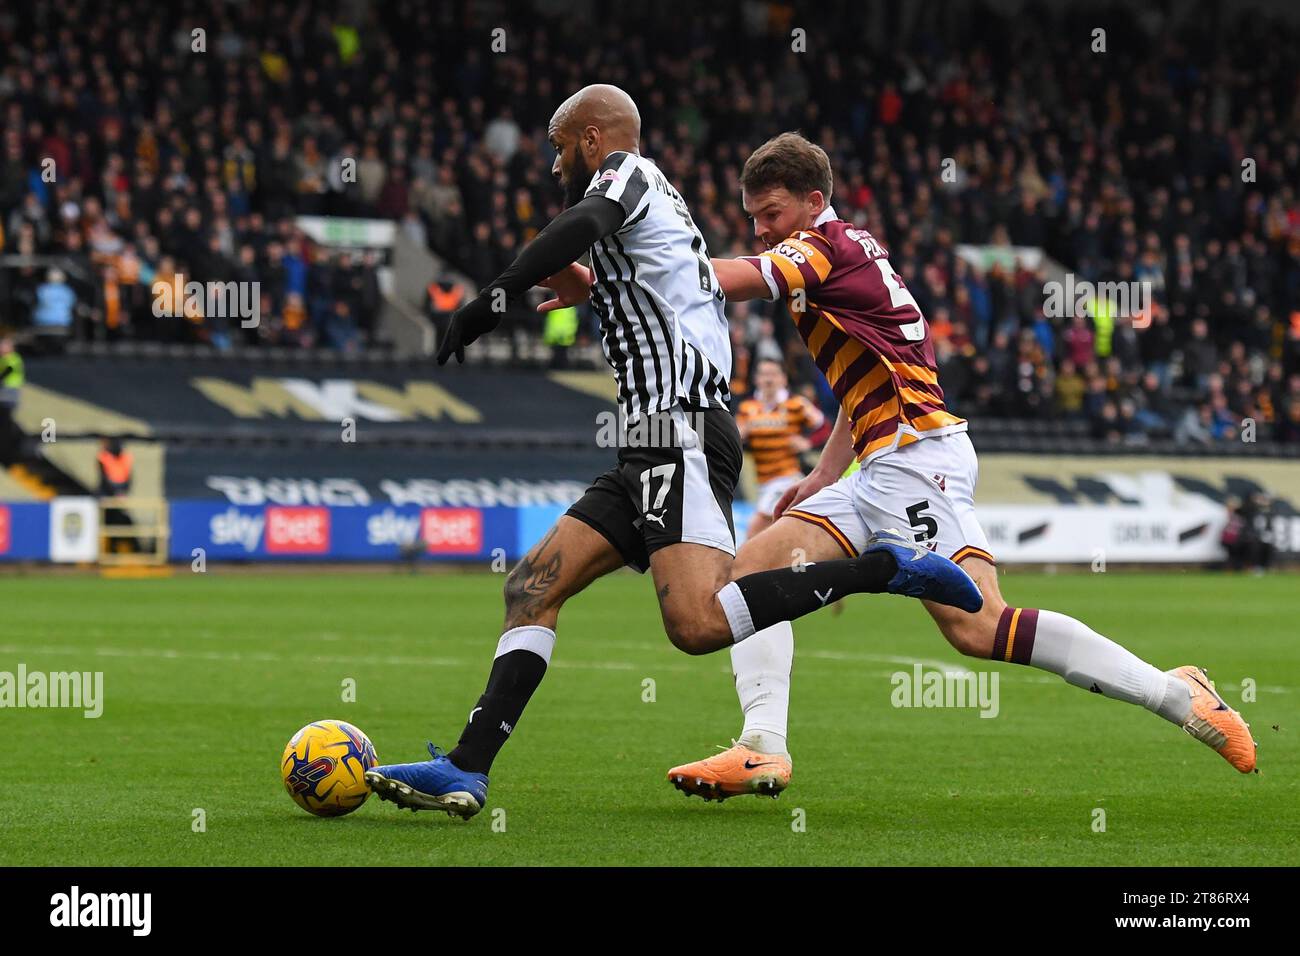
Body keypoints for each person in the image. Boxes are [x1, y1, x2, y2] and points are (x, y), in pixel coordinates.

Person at [364, 88, 980, 819]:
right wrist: (587, 284)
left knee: (696, 624)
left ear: (593, 139)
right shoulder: (644, 208)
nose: (554, 163)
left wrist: (492, 296)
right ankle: (467, 768)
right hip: (646, 440)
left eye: (560, 146)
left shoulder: (627, 174)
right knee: (530, 587)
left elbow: (585, 224)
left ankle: (885, 569)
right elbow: (650, 281)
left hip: (680, 426)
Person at [664, 132, 1255, 799]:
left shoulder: (825, 248)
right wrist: (828, 473)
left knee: (981, 627)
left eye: (770, 213)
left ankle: (1178, 695)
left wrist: (643, 262)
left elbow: (734, 279)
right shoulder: (843, 254)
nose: (761, 230)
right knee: (753, 575)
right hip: (878, 463)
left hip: (918, 459)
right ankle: (762, 748)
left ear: (813, 200)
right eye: (752, 218)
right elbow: (868, 378)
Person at [735, 358, 824, 540]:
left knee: (754, 530)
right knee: (777, 532)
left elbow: (824, 427)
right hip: (762, 480)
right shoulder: (747, 408)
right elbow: (736, 439)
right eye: (764, 374)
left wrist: (808, 442)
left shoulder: (796, 404)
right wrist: (741, 435)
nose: (769, 379)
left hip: (787, 477)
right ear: (756, 379)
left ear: (783, 378)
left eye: (774, 374)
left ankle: (744, 559)